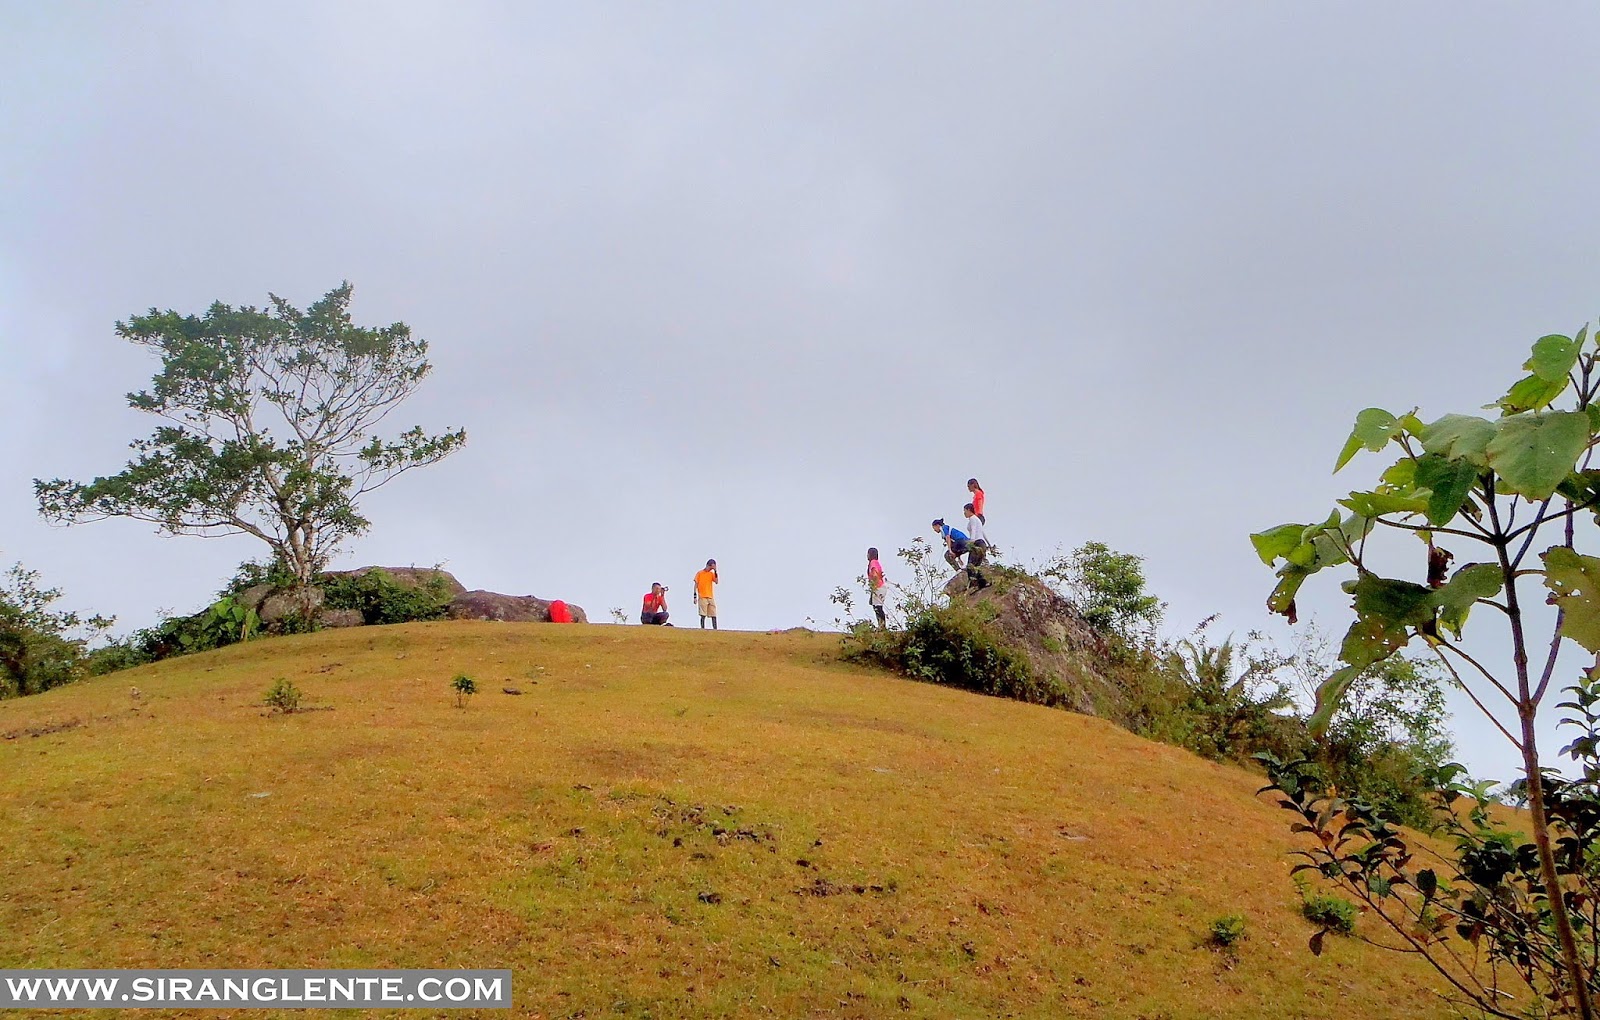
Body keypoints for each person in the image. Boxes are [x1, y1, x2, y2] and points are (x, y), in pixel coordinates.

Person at [962, 504, 991, 590]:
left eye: (965, 511)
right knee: (976, 566)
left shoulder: (972, 519)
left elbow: (974, 531)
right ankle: (983, 583)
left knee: (970, 566)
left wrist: (971, 542)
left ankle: (973, 584)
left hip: (977, 543)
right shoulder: (977, 519)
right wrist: (989, 544)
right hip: (982, 544)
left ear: (968, 510)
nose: (964, 513)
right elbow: (983, 533)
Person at [694, 559, 719, 630]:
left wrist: (715, 571)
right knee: (703, 614)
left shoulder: (711, 574)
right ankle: (702, 628)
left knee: (713, 613)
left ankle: (715, 629)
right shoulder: (699, 573)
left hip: (710, 596)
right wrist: (695, 596)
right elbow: (695, 584)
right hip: (702, 596)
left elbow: (716, 581)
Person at [866, 547, 888, 629]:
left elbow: (874, 574)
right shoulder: (876, 562)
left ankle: (882, 626)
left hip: (878, 587)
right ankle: (881, 626)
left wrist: (874, 585)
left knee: (877, 607)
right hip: (880, 587)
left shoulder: (873, 562)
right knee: (877, 607)